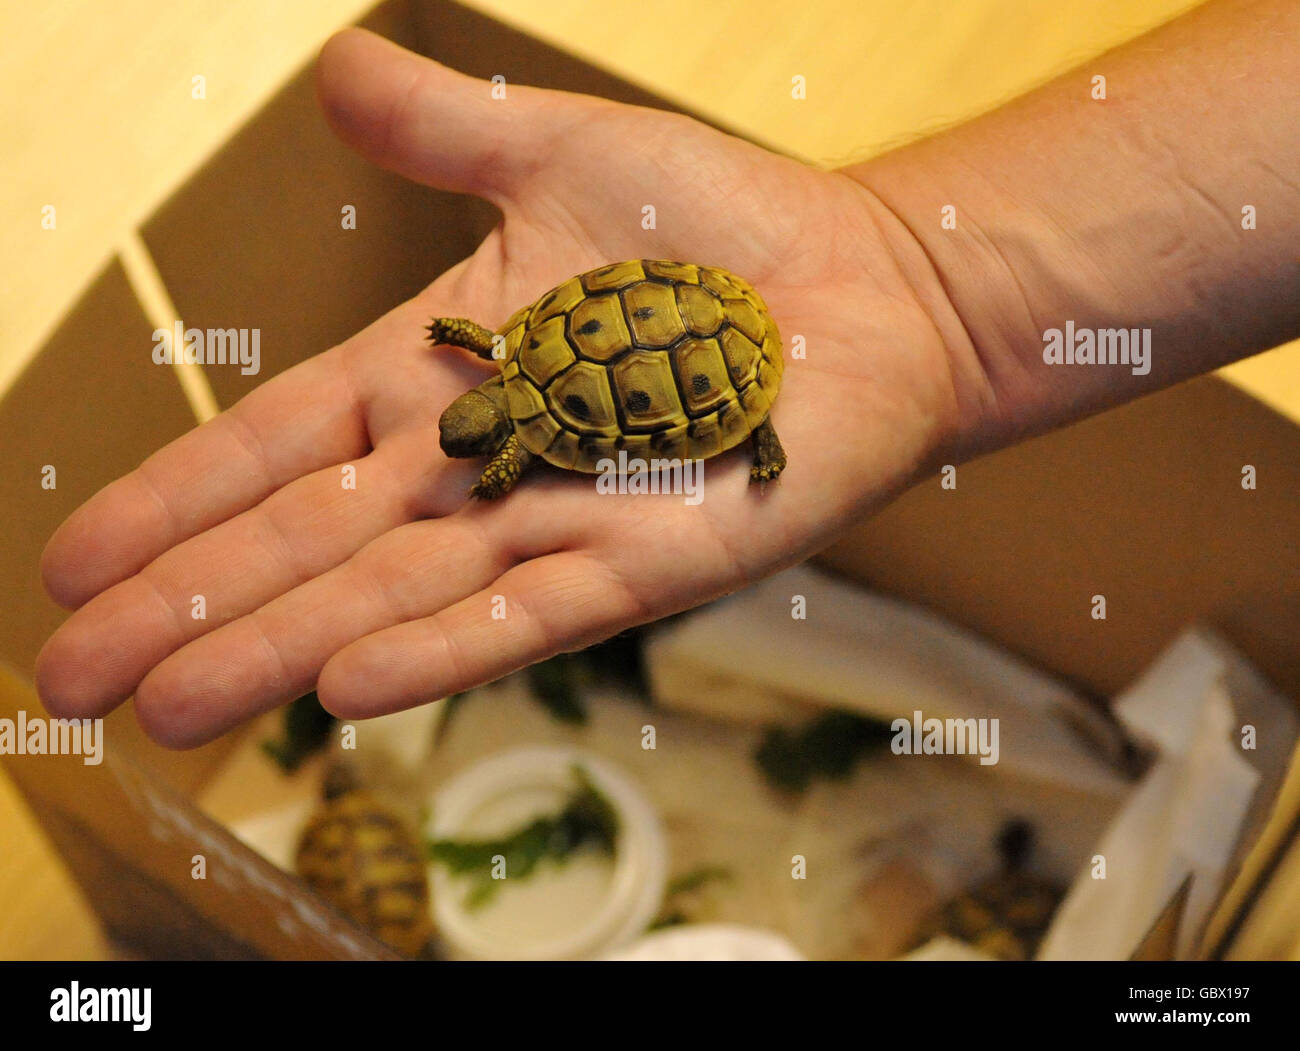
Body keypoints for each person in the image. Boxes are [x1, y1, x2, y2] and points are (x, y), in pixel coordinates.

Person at [34, 0, 1298, 747]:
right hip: (670, 325)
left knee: (690, 416)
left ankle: (752, 429)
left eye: (478, 435)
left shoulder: (523, 407)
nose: (471, 441)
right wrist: (933, 284)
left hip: (687, 361)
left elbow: (527, 427)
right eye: (478, 437)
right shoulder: (514, 360)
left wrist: (921, 290)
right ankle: (757, 419)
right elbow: (524, 391)